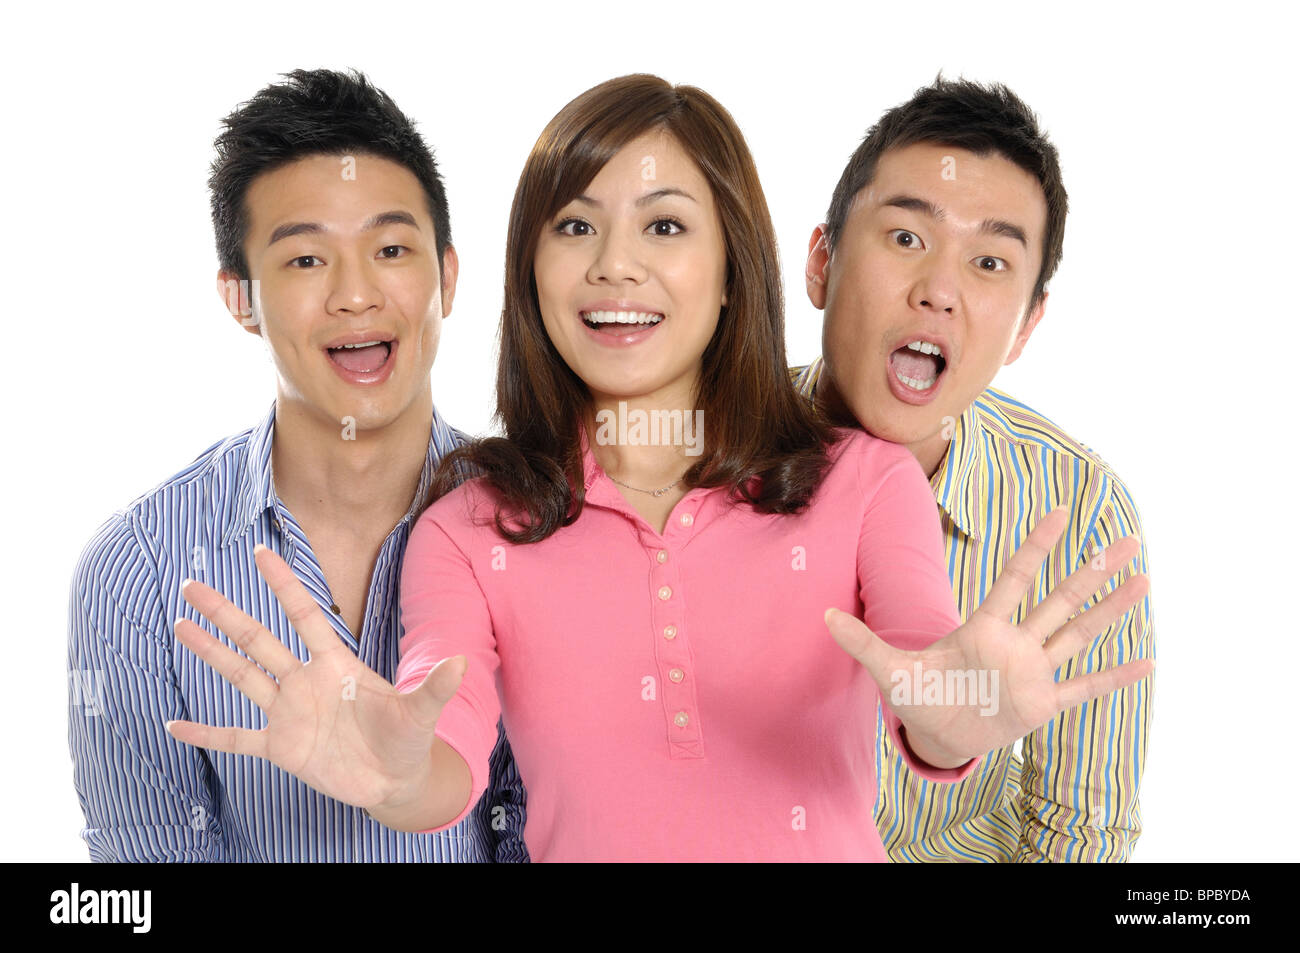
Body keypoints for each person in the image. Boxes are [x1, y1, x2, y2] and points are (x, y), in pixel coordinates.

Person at [164, 74, 1150, 862]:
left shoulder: (864, 481)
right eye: (576, 225)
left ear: (732, 273)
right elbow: (446, 744)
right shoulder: (467, 526)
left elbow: (931, 684)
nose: (614, 265)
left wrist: (958, 706)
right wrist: (393, 770)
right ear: (529, 269)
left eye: (666, 226)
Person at [66, 68, 525, 862]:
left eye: (390, 248)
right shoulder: (138, 570)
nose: (355, 295)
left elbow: (555, 833)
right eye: (306, 260)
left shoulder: (541, 521)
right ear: (240, 299)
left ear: (446, 277)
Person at [794, 76, 1155, 861]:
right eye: (906, 239)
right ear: (822, 263)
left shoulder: (1077, 507)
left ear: (1026, 326)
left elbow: (1080, 832)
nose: (940, 292)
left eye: (990, 262)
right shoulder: (694, 455)